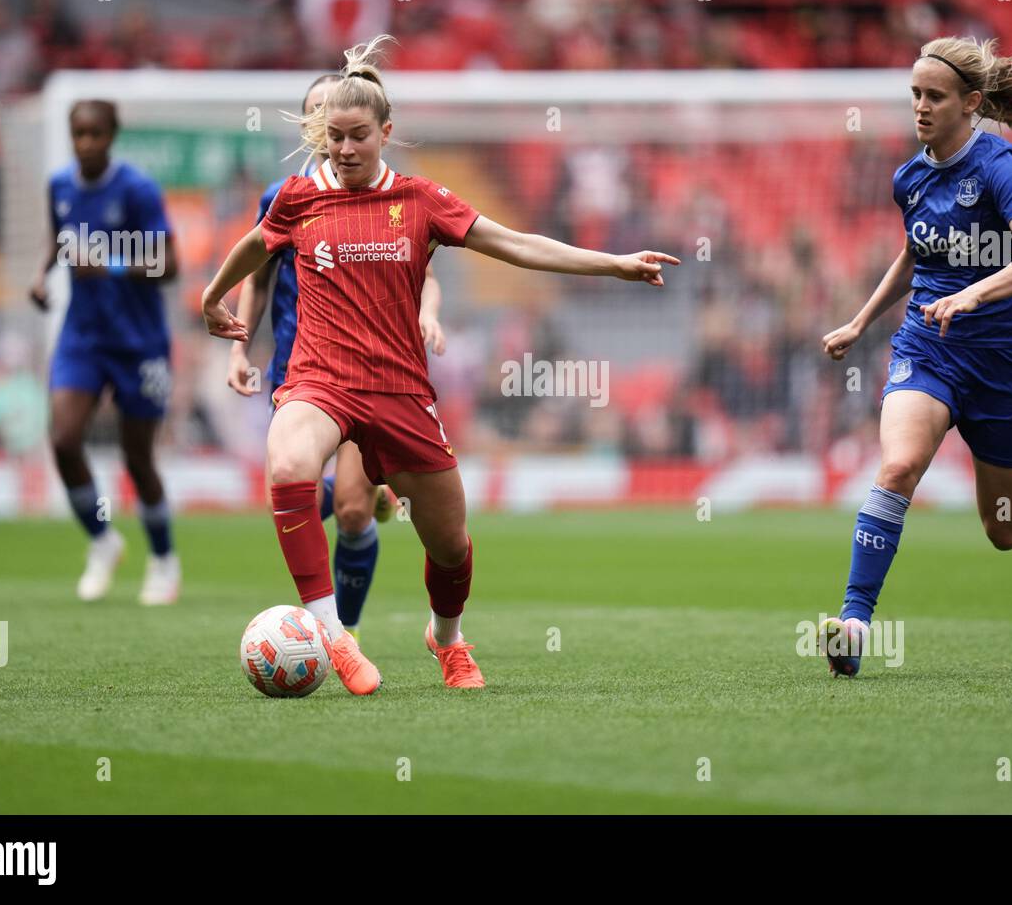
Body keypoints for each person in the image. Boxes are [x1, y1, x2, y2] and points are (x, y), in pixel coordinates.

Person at [203, 34, 677, 693]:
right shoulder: (297, 199)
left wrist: (613, 263)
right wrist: (210, 302)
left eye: (357, 136)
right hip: (319, 380)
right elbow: (253, 248)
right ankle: (333, 635)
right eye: (333, 136)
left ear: (385, 131)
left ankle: (447, 638)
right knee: (287, 466)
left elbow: (513, 244)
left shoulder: (422, 201)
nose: (344, 149)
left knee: (451, 548)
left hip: (399, 391)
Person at [819, 37, 1012, 676]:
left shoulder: (1004, 168)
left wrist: (973, 294)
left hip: (1011, 367)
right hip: (929, 350)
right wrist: (860, 321)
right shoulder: (910, 176)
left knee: (1006, 530)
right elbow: (916, 253)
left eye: (933, 96)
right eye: (914, 94)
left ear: (970, 103)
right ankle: (855, 624)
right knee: (900, 464)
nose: (920, 107)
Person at [228, 73, 447, 643]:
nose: (341, 131)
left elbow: (421, 264)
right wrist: (238, 345)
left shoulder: (387, 194)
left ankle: (341, 634)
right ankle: (362, 497)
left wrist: (429, 312)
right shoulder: (285, 198)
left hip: (372, 372)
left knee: (351, 511)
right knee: (297, 484)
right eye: (323, 114)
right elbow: (255, 272)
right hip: (302, 372)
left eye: (351, 121)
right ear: (311, 125)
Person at [30, 99, 181, 605]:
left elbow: (171, 263)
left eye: (95, 134)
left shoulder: (137, 190)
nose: (86, 143)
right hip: (84, 336)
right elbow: (60, 237)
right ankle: (102, 539)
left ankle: (162, 559)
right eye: (79, 134)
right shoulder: (59, 186)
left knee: (136, 457)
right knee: (64, 438)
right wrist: (42, 274)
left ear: (112, 135)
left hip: (140, 342)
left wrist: (111, 265)